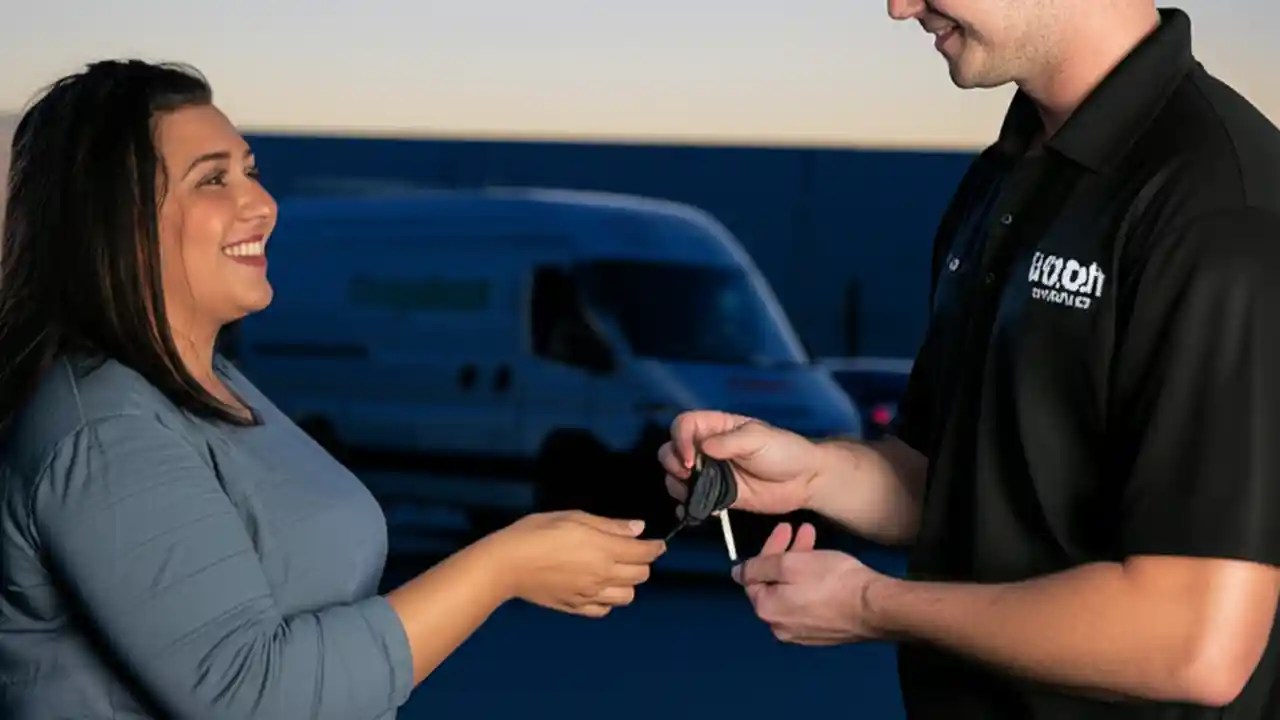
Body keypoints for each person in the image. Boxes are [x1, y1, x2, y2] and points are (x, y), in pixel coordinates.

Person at [661, 2, 1280, 718]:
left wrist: (872, 604)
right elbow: (960, 480)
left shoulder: (1216, 204)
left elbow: (1192, 644)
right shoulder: (1005, 175)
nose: (899, 6)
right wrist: (814, 473)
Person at [0, 59, 666, 720]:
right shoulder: (106, 434)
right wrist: (501, 568)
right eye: (213, 180)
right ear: (117, 222)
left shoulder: (211, 385)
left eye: (251, 171)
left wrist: (669, 494)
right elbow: (253, 697)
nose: (262, 205)